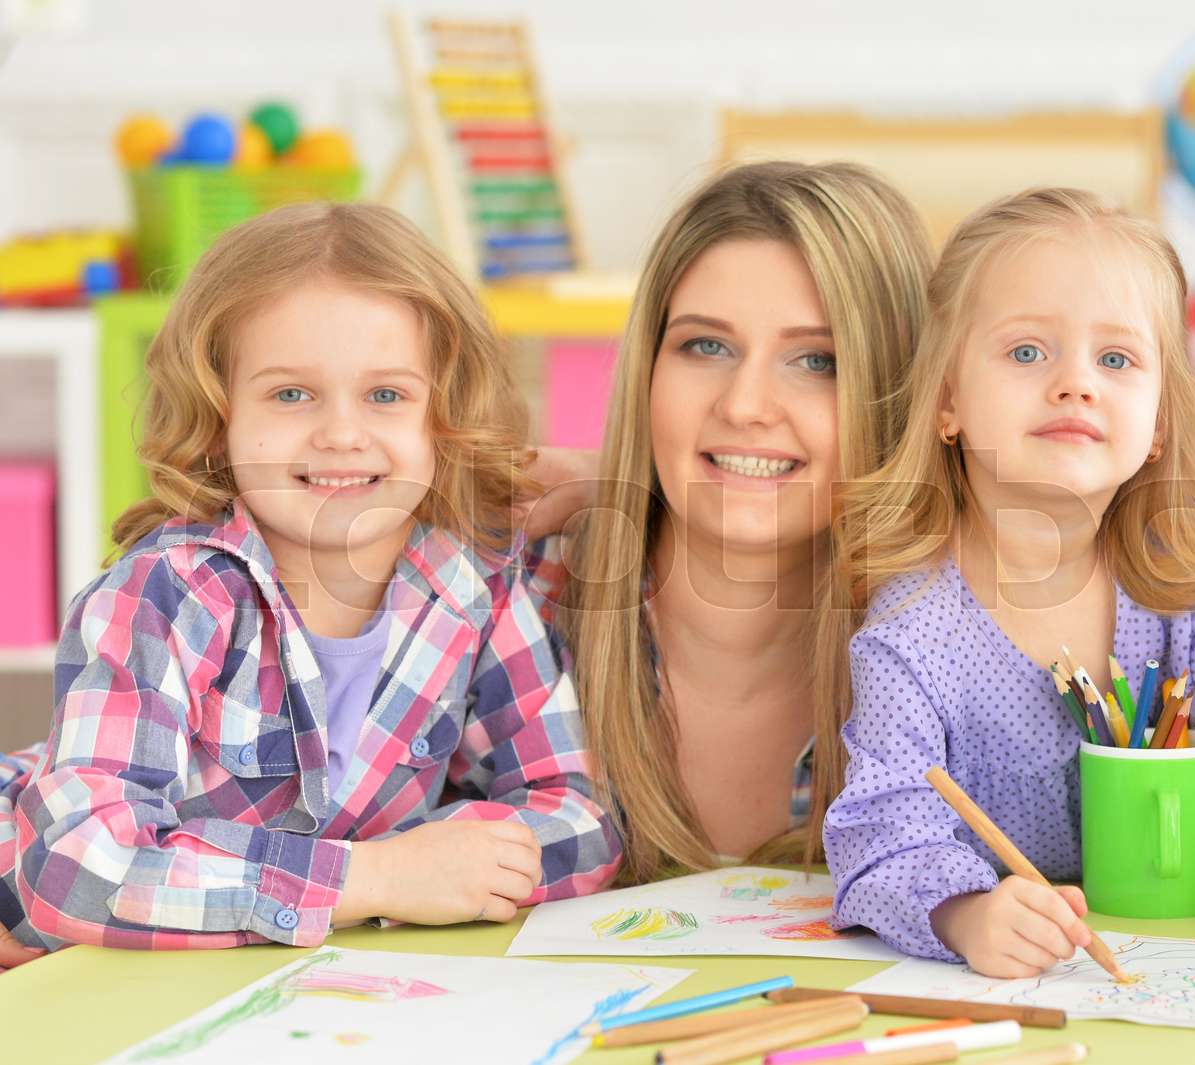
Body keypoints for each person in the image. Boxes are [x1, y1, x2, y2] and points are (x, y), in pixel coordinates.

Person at [0, 202, 619, 962]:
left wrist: (450, 865)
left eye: (386, 395)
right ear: (219, 414)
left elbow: (580, 819)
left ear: (443, 415)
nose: (341, 433)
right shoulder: (165, 594)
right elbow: (76, 867)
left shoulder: (475, 591)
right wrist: (377, 878)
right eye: (291, 394)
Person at [824, 187, 1195, 977]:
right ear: (947, 399)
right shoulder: (911, 631)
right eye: (1026, 352)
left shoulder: (1192, 598)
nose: (1075, 383)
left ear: (1156, 424)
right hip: (1008, 1000)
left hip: (1180, 978)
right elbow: (886, 818)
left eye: (1115, 359)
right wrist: (963, 913)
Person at [540, 161, 933, 884]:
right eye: (706, 346)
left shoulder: (949, 655)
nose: (746, 404)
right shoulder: (512, 617)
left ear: (897, 394)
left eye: (818, 360)